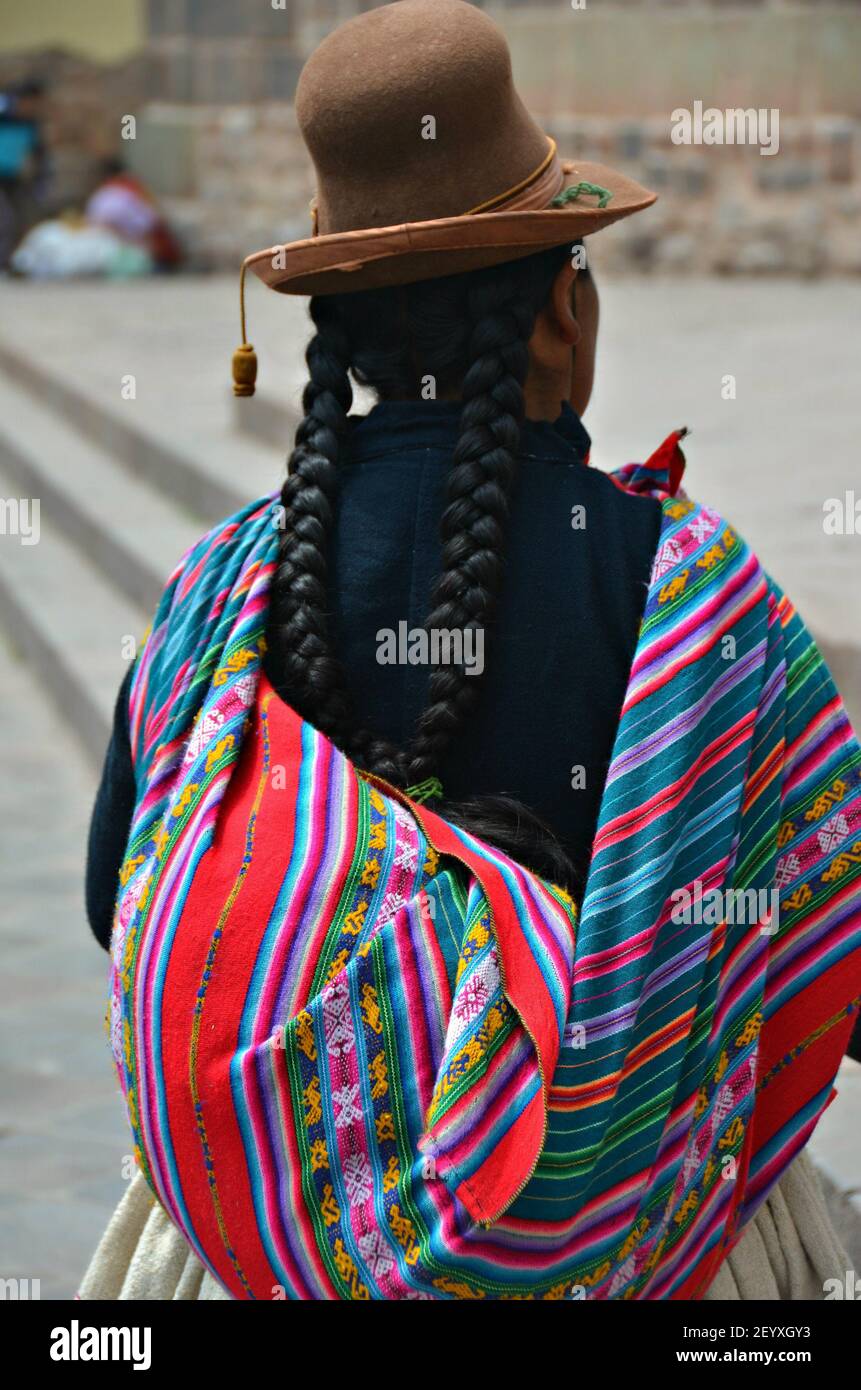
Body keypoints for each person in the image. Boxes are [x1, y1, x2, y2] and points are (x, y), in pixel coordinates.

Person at [81, 0, 861, 1301]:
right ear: (565, 313)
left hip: (285, 1250)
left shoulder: (220, 594)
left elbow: (126, 897)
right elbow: (824, 941)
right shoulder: (691, 602)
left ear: (340, 333)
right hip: (643, 1256)